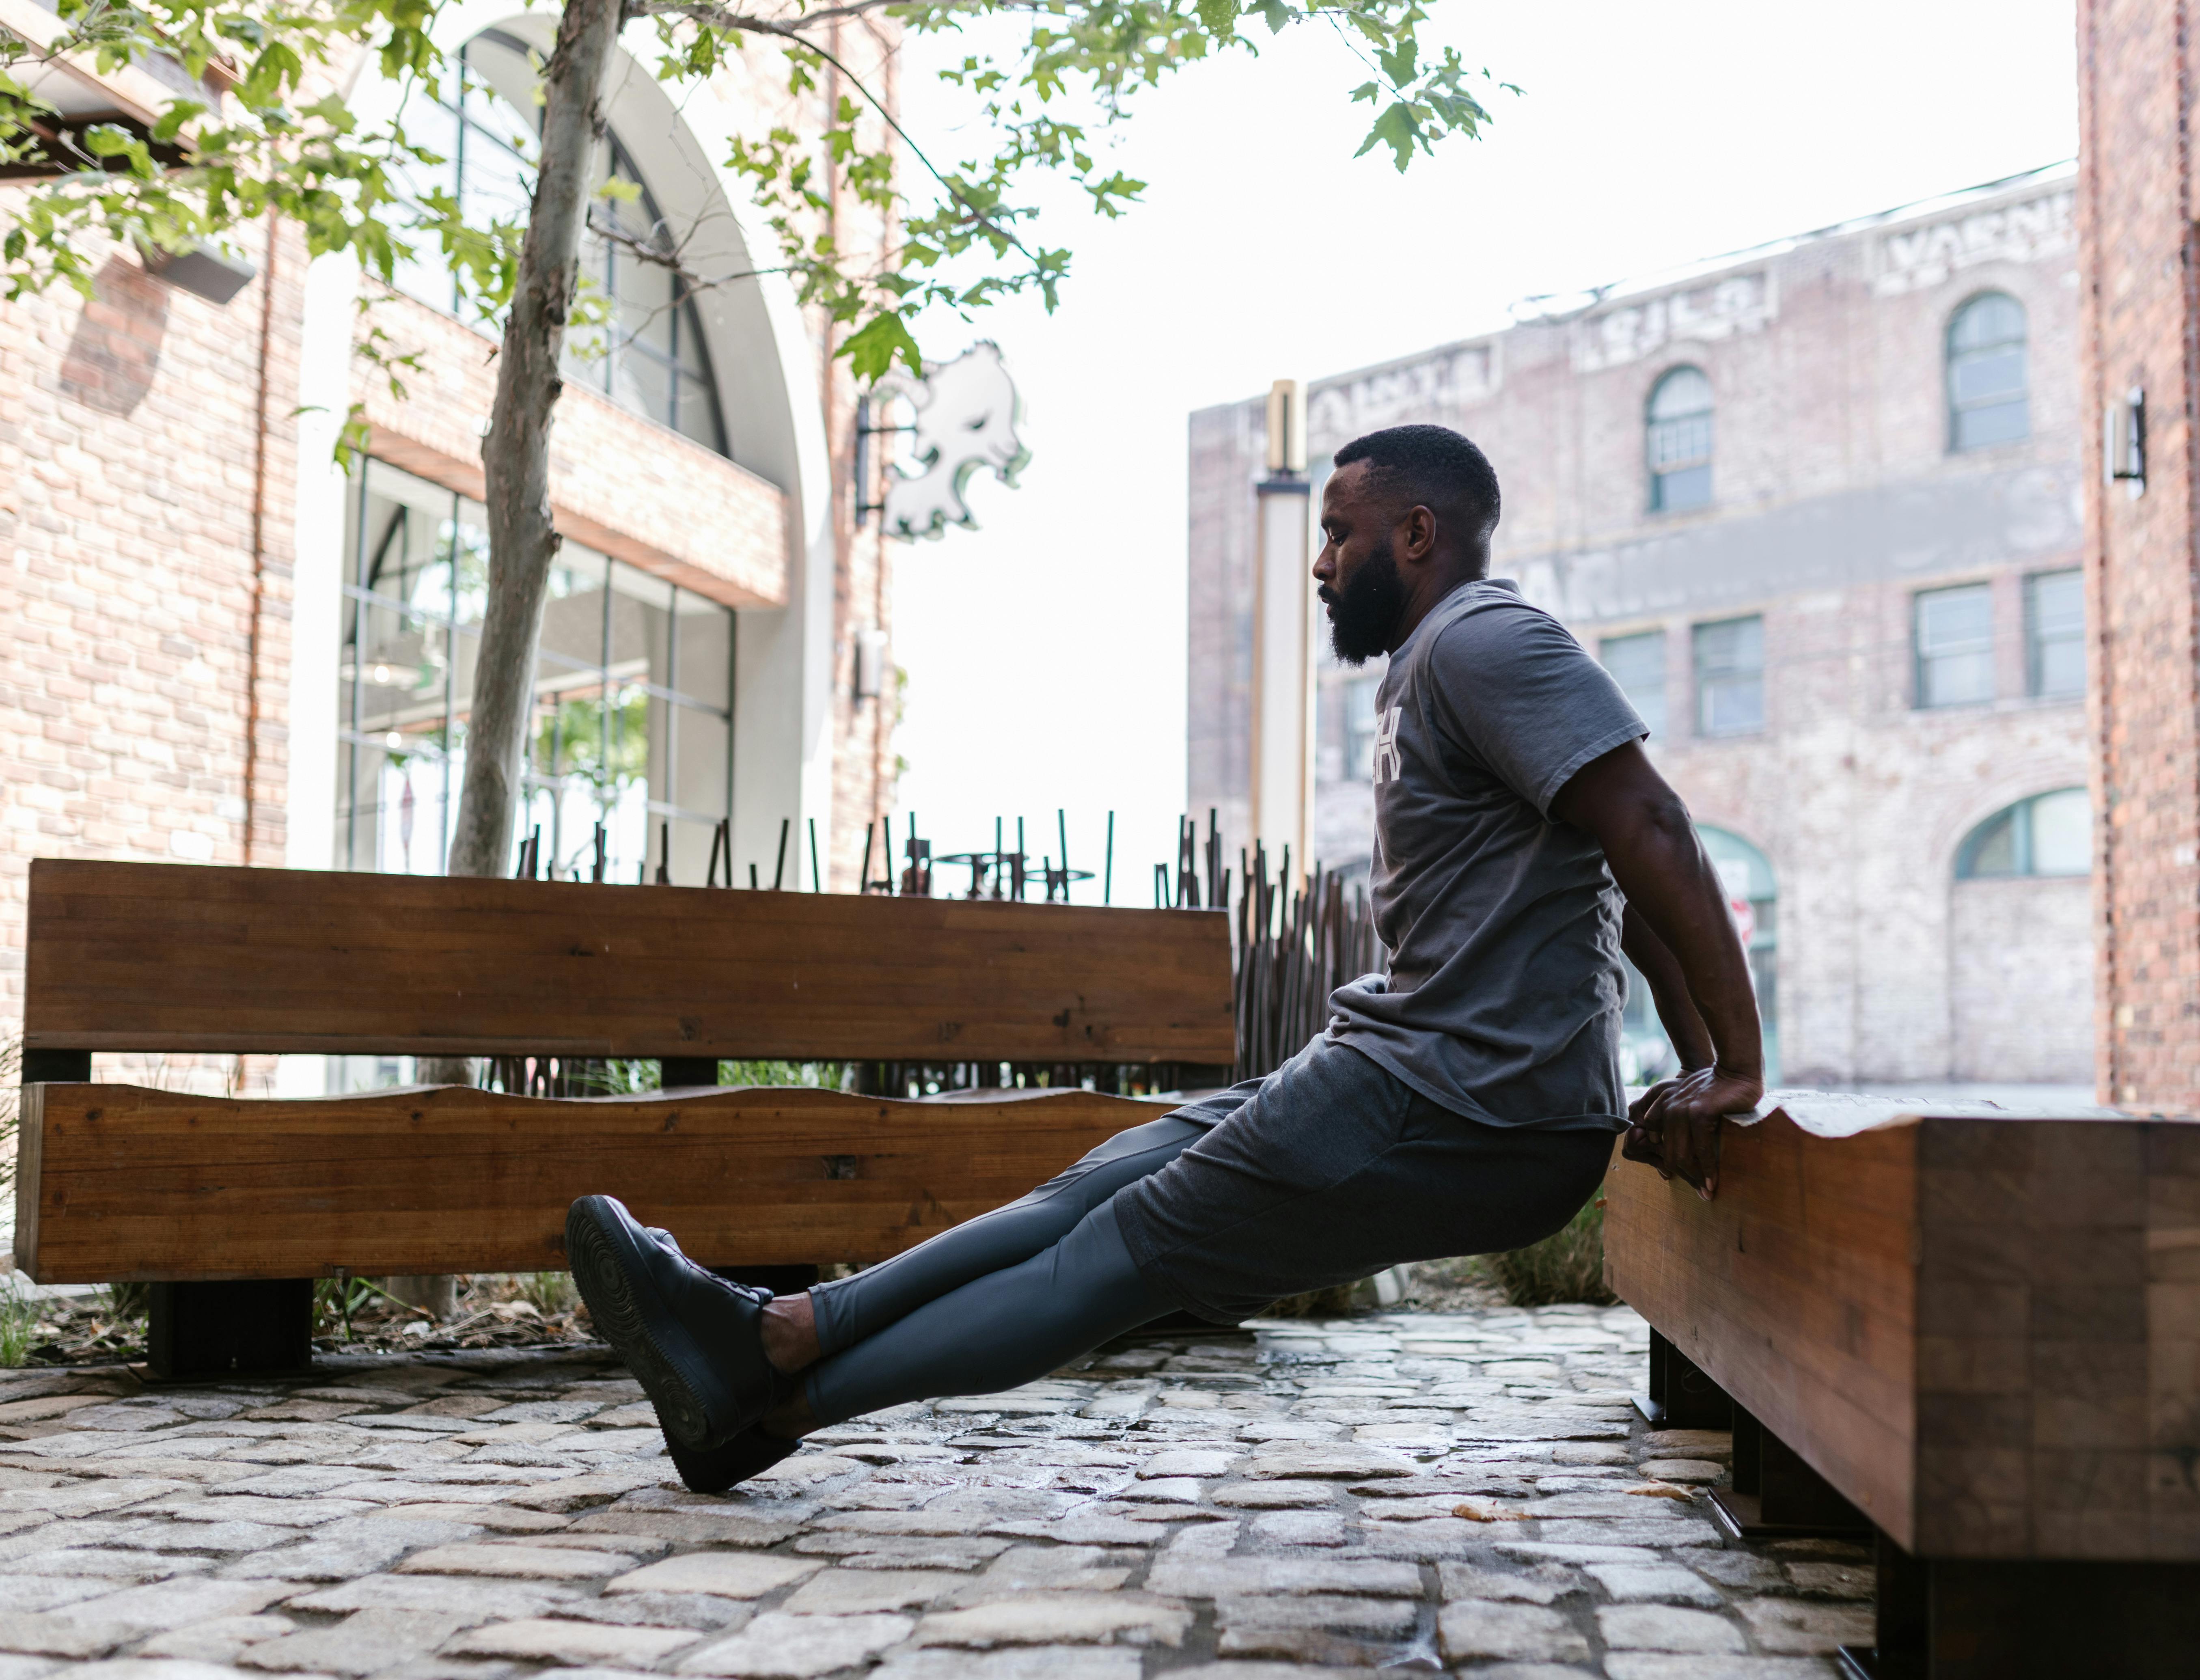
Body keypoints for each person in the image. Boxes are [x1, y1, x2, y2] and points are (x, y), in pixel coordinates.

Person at [567, 423, 1766, 1492]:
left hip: (1458, 1103)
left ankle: (767, 1399)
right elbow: (1614, 865)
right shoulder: (1433, 668)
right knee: (1095, 1183)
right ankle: (780, 1328)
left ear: (1419, 531)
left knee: (1112, 1257)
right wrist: (1697, 1056)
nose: (1319, 563)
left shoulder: (1486, 642)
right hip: (1400, 1071)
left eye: (1340, 536)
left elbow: (1650, 829)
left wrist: (1735, 1064)